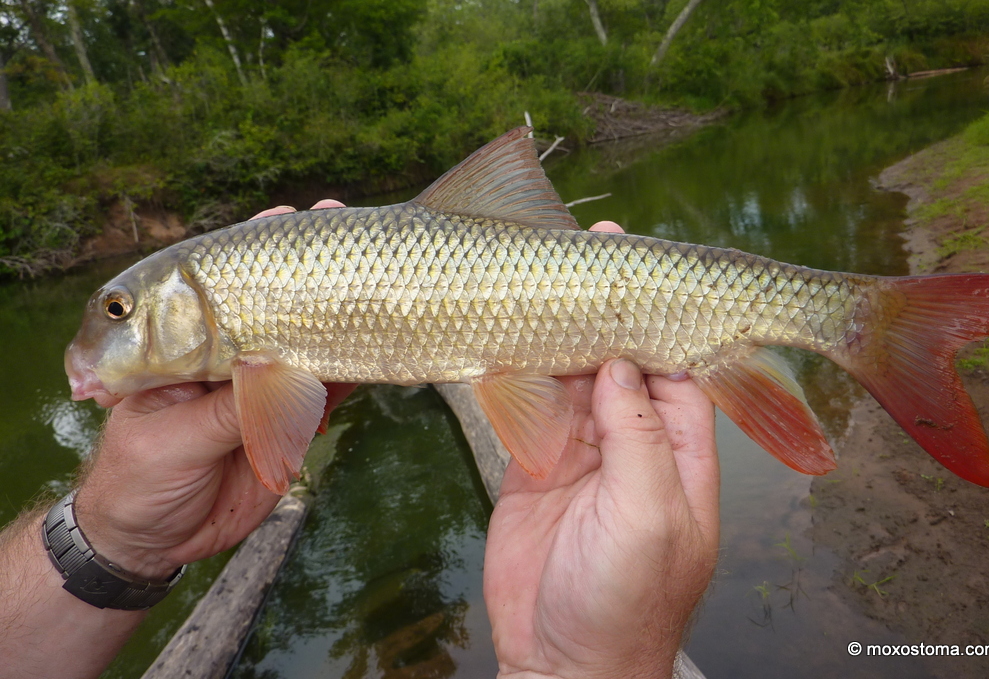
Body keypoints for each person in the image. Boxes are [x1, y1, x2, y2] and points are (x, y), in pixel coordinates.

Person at [0, 211, 720, 679]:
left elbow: (278, 435)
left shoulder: (254, 357)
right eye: (118, 311)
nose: (108, 330)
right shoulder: (240, 345)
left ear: (193, 298)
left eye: (119, 311)